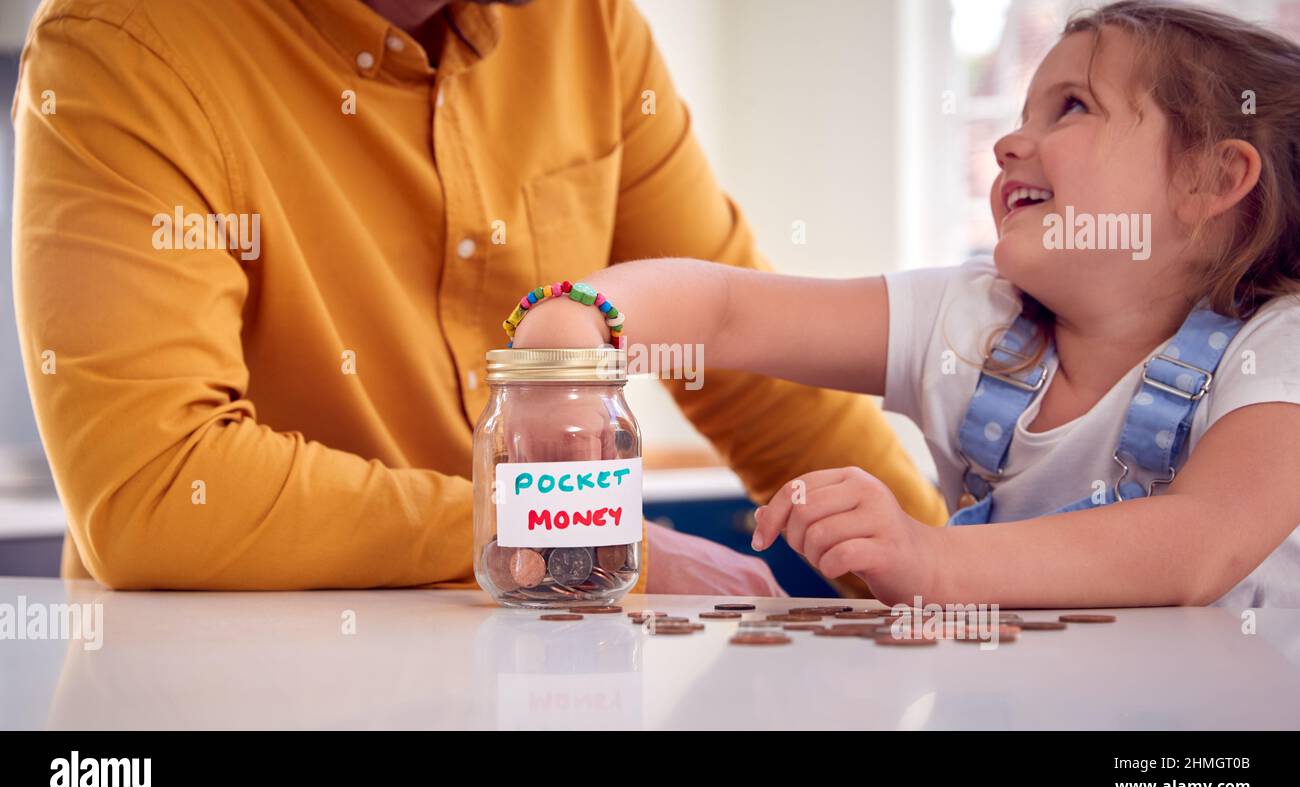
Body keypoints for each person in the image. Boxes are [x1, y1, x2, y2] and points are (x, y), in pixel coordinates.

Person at [11, 0, 947, 593]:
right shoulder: (124, 44)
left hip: (539, 673)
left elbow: (745, 361)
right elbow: (162, 491)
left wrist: (946, 569)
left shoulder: (590, 27)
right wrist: (583, 542)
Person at [511, 1, 1300, 608]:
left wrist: (926, 558)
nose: (1008, 143)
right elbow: (725, 310)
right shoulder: (971, 319)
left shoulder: (1278, 349)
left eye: (1070, 108)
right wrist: (576, 317)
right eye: (1022, 112)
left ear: (1212, 179)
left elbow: (1201, 542)